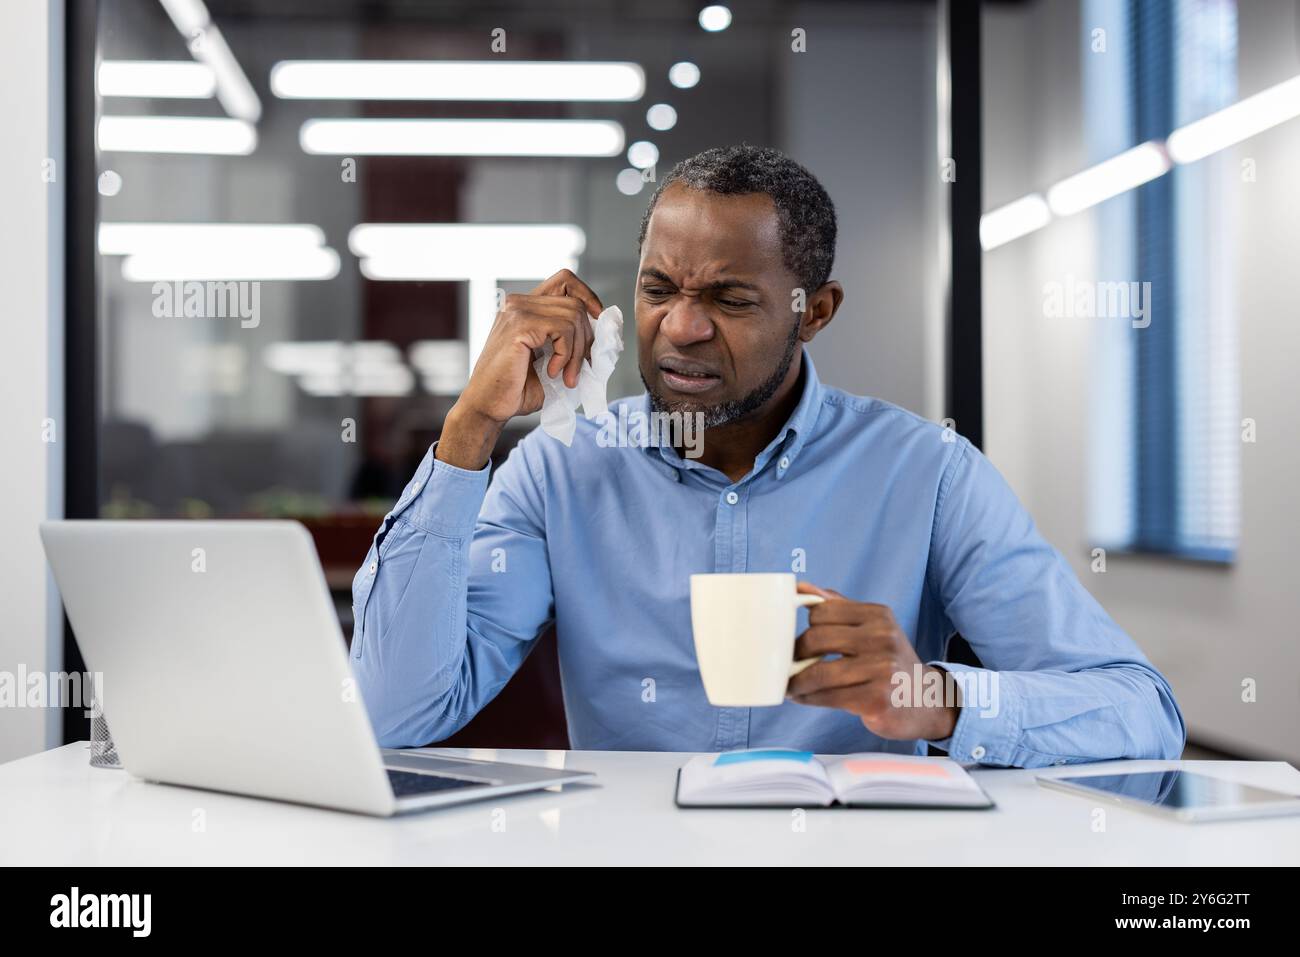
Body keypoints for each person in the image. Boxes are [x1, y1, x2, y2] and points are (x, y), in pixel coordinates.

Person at [350, 144, 1185, 765]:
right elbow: (393, 713)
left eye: (729, 298)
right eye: (658, 289)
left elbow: (1141, 715)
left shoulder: (926, 472)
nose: (681, 326)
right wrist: (469, 430)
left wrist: (937, 697)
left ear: (814, 311)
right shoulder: (559, 470)